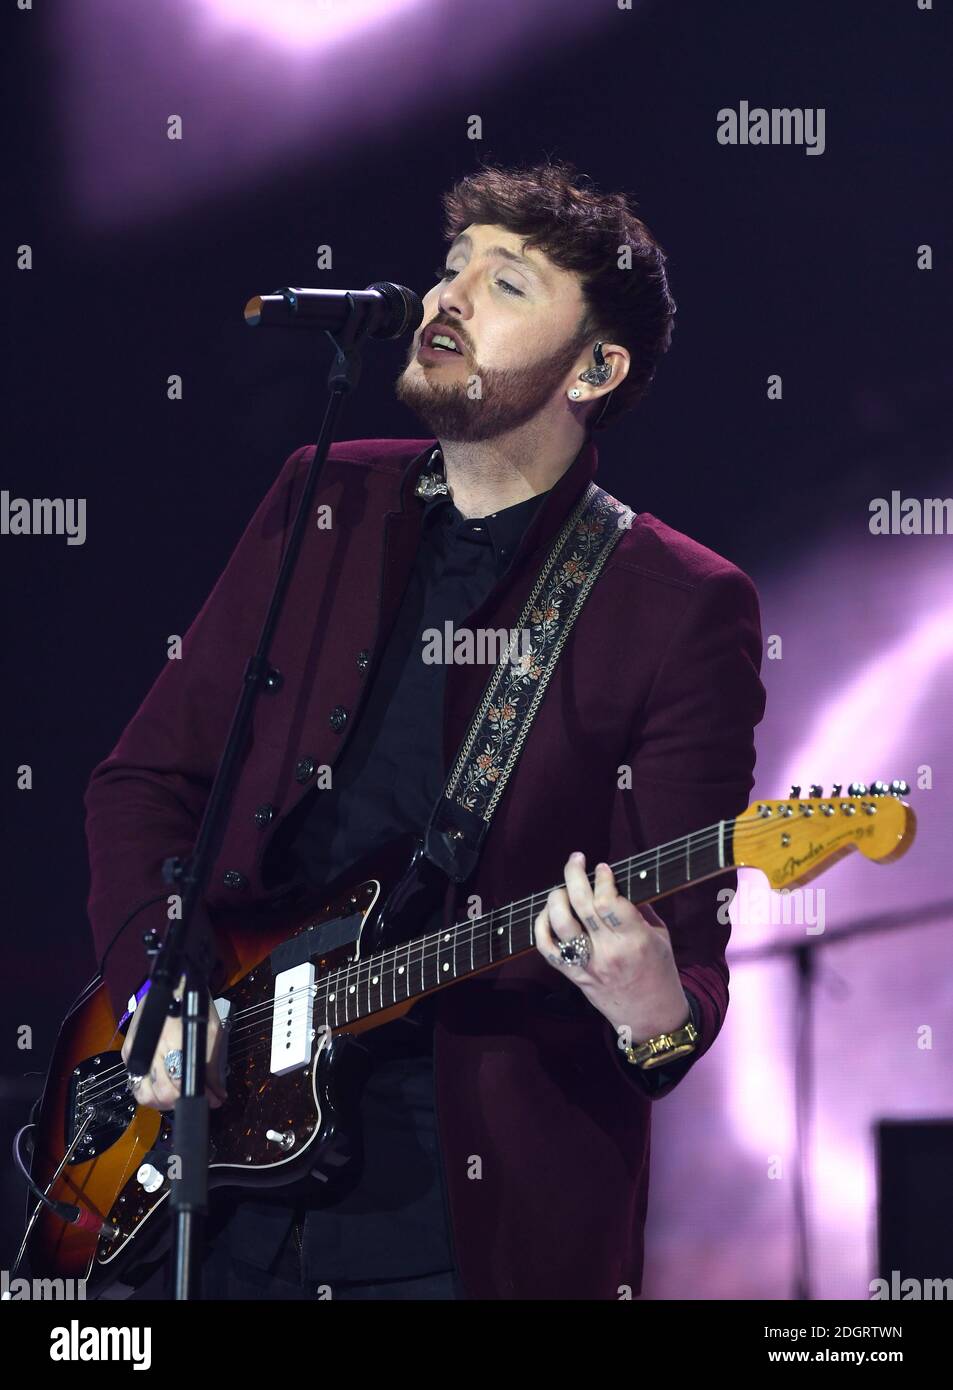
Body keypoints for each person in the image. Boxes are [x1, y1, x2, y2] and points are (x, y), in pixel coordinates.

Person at [87, 158, 766, 1300]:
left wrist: (652, 1011)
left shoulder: (677, 600)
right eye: (450, 269)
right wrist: (157, 983)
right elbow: (144, 779)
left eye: (504, 284)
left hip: (455, 1220)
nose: (444, 298)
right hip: (210, 1178)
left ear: (595, 367)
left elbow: (685, 962)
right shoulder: (323, 493)